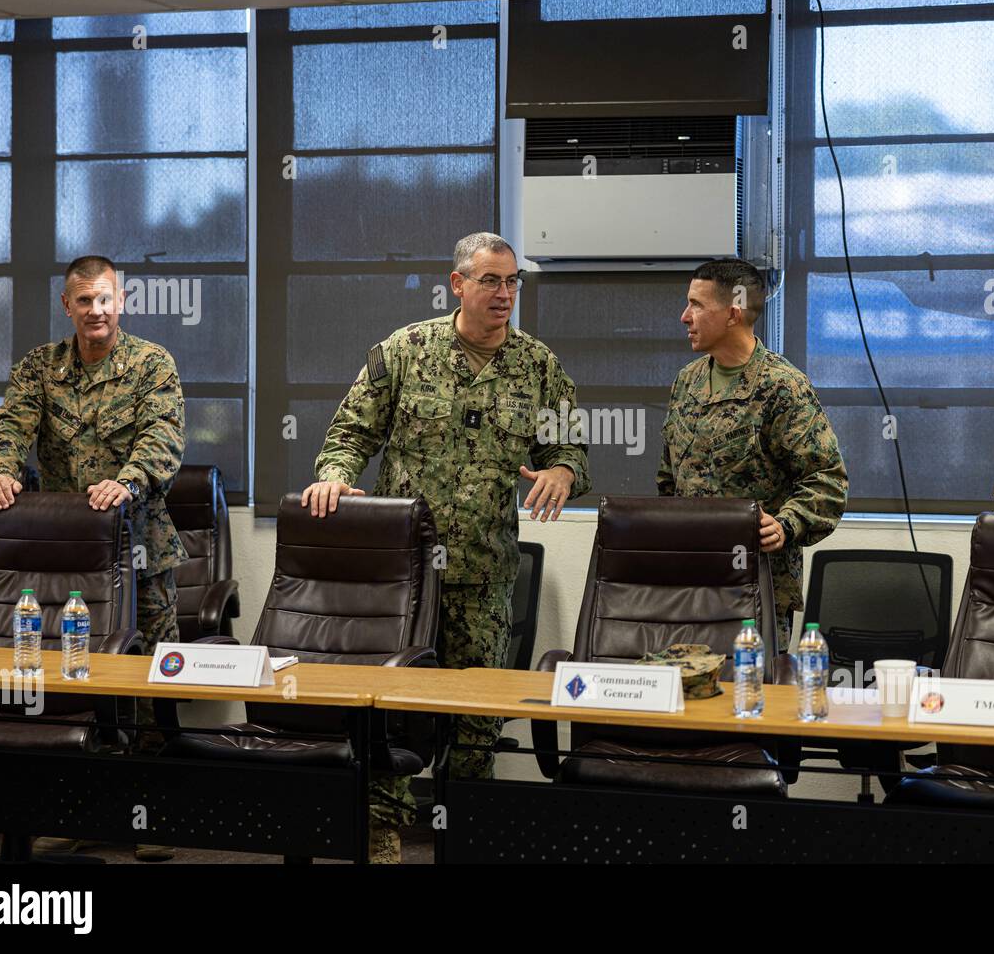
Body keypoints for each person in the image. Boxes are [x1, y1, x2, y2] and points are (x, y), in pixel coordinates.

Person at [305, 231, 590, 862]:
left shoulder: (538, 366)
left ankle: (464, 831)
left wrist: (562, 473)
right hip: (403, 571)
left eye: (513, 282)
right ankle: (382, 827)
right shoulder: (405, 351)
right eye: (491, 280)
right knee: (392, 705)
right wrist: (334, 475)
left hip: (483, 570)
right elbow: (351, 432)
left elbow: (568, 448)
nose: (505, 294)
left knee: (474, 712)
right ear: (457, 284)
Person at [0, 254, 186, 862]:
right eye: (83, 301)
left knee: (151, 685)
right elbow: (13, 431)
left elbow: (164, 438)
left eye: (105, 299)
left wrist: (127, 481)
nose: (95, 311)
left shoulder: (153, 365)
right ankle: (83, 812)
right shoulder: (40, 368)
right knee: (75, 683)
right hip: (68, 562)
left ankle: (152, 817)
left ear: (120, 301)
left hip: (141, 553)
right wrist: (0, 473)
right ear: (66, 305)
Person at [657, 259, 848, 650]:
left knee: (748, 703)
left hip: (756, 590)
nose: (684, 316)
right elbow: (669, 480)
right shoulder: (687, 381)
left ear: (733, 313)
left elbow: (827, 481)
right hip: (690, 586)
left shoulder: (782, 387)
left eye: (696, 305)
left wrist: (785, 524)